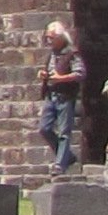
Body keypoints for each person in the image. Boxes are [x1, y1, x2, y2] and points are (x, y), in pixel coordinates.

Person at [35, 24, 83, 174]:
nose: (49, 40)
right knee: (45, 128)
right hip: (51, 95)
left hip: (65, 97)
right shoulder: (52, 54)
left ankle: (60, 165)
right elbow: (50, 71)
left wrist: (61, 78)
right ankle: (67, 157)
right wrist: (44, 74)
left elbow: (80, 73)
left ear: (60, 38)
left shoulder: (72, 53)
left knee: (64, 132)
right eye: (47, 37)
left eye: (51, 37)